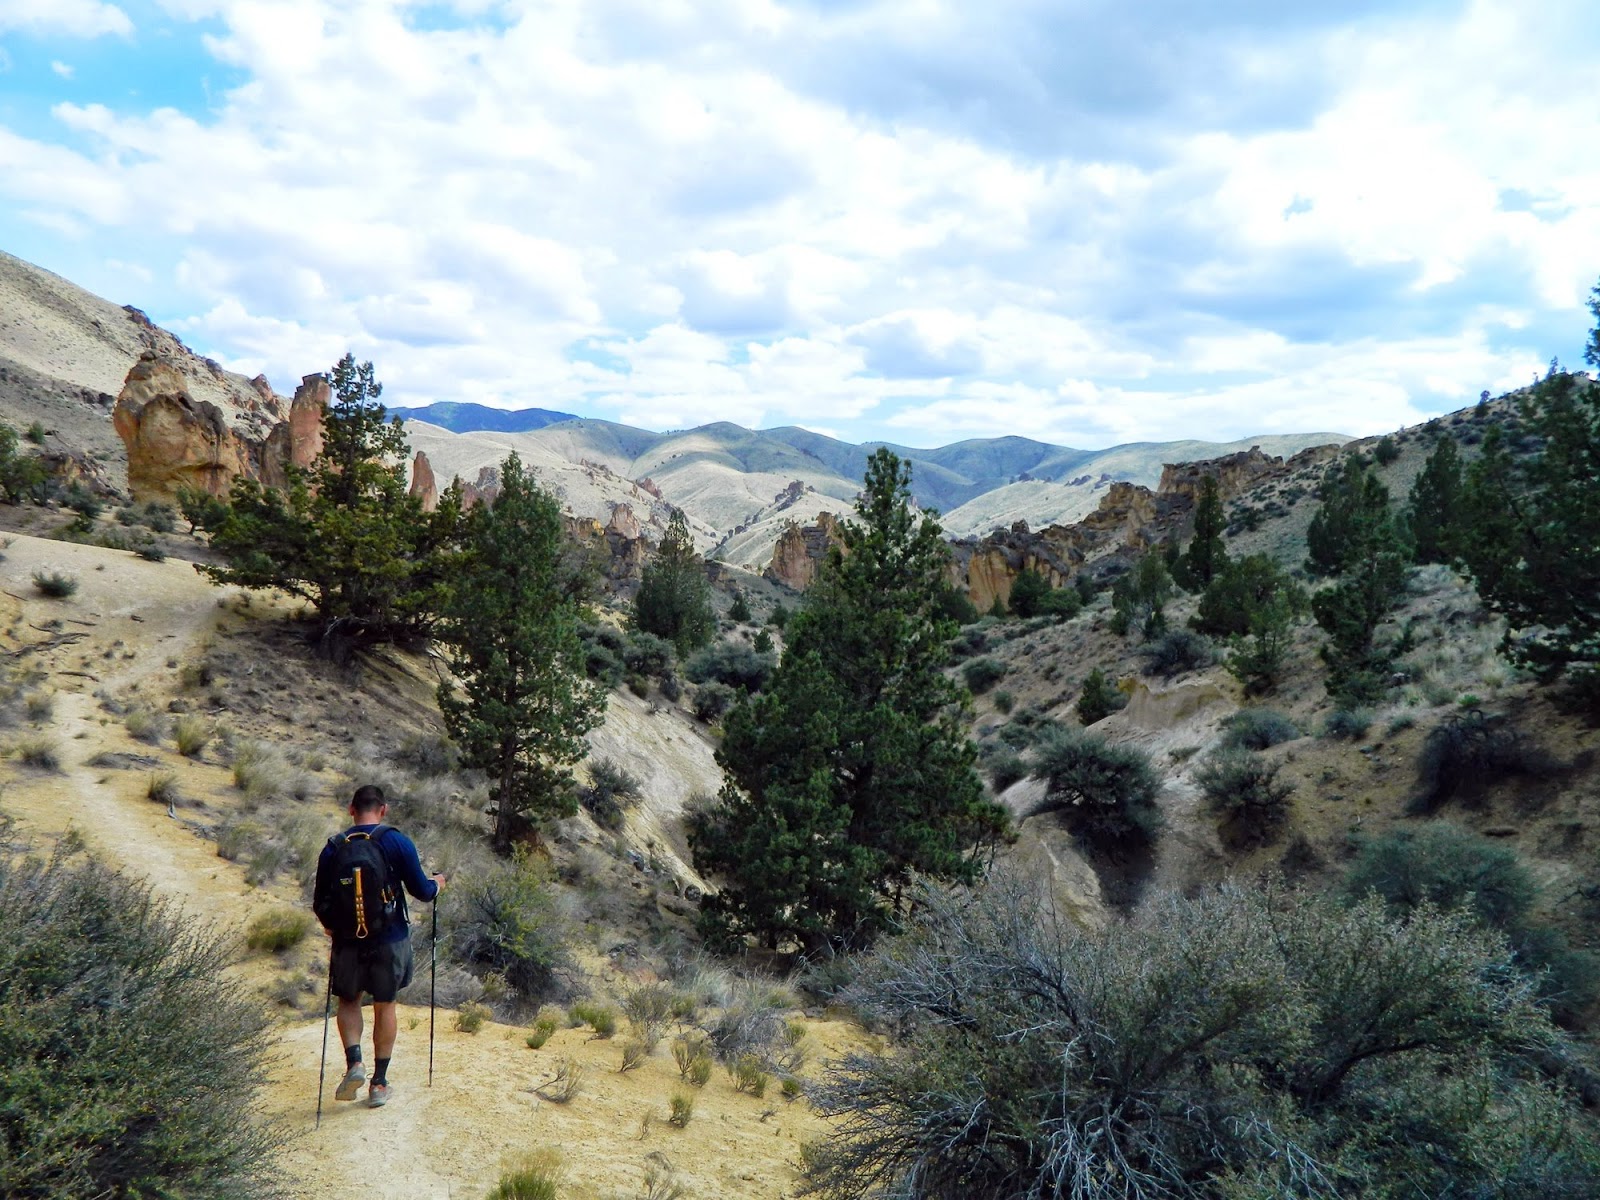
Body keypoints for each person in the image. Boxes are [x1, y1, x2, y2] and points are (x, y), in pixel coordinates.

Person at [312, 784, 445, 1108]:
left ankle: (355, 1062)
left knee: (348, 1001)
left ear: (351, 810)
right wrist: (438, 883)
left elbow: (319, 902)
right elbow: (422, 891)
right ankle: (379, 1084)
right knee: (385, 1005)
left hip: (347, 941)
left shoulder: (334, 847)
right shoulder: (395, 841)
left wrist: (333, 927)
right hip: (389, 938)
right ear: (382, 810)